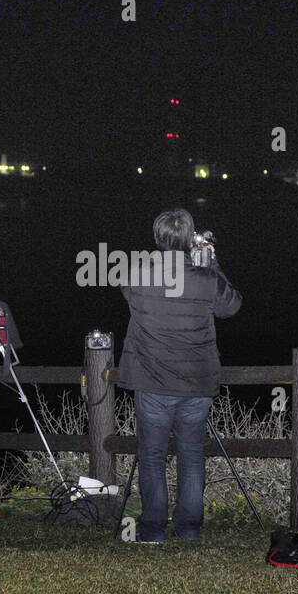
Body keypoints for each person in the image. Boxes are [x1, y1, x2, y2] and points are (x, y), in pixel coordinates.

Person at [115, 208, 242, 542]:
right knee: (192, 456)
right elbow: (231, 307)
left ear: (157, 237)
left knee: (152, 456)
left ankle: (153, 529)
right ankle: (188, 529)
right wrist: (210, 263)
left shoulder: (137, 273)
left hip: (152, 382)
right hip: (197, 384)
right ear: (189, 239)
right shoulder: (205, 276)